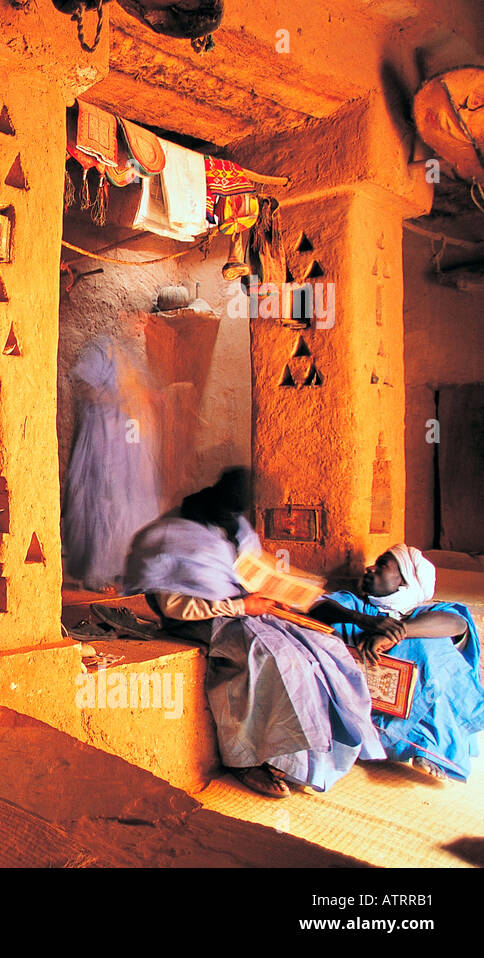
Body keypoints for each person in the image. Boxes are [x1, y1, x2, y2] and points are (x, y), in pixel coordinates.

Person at [124, 468, 384, 798]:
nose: (238, 511)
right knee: (273, 657)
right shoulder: (169, 537)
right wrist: (241, 608)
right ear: (217, 491)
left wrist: (279, 599)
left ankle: (309, 758)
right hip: (204, 619)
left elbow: (252, 574)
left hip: (249, 610)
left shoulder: (237, 527)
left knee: (322, 648)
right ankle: (246, 760)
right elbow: (174, 606)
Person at [309, 545, 484, 782]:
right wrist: (363, 620)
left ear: (404, 580)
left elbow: (457, 624)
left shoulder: (426, 614)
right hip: (359, 706)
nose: (370, 569)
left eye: (382, 566)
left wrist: (398, 633)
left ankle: (427, 745)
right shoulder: (354, 605)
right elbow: (316, 607)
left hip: (414, 710)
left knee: (430, 647)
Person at [62, 334, 161, 591]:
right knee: (104, 501)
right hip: (104, 439)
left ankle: (127, 570)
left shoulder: (128, 358)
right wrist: (117, 398)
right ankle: (98, 573)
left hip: (129, 442)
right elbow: (85, 386)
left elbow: (140, 394)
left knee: (135, 501)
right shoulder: (102, 351)